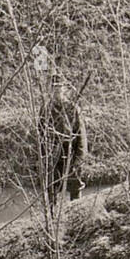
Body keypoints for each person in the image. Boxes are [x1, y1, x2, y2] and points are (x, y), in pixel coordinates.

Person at [38, 72, 87, 208]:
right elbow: (41, 135)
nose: (57, 91)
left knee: (75, 186)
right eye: (54, 88)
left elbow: (81, 137)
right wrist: (44, 158)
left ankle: (76, 212)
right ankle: (52, 218)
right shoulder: (45, 110)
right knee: (51, 186)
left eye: (60, 87)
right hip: (53, 153)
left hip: (71, 151)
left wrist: (78, 159)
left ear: (65, 89)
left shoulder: (73, 109)